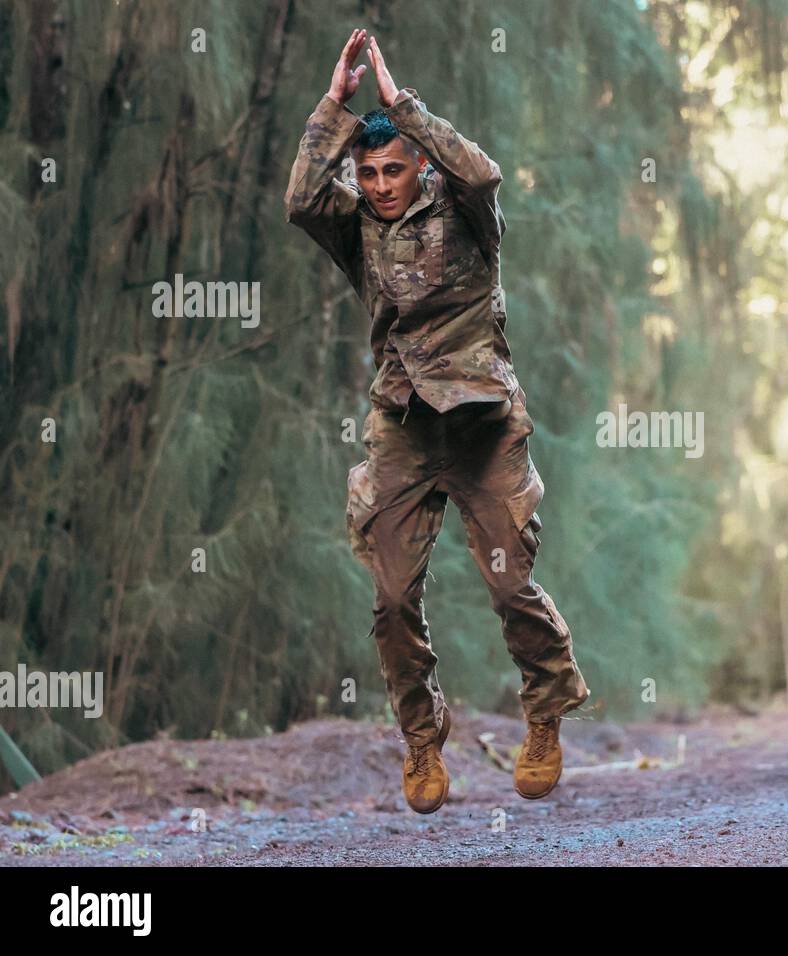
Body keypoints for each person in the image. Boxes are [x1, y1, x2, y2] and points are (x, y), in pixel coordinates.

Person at [284, 29, 588, 813]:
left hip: (484, 424)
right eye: (371, 172)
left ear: (418, 163)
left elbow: (482, 171)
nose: (382, 185)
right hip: (403, 426)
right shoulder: (357, 227)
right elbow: (299, 200)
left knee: (510, 586)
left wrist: (401, 107)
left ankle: (545, 711)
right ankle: (422, 737)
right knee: (389, 600)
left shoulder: (467, 210)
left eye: (394, 169)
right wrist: (334, 105)